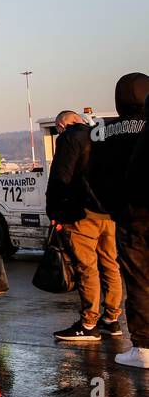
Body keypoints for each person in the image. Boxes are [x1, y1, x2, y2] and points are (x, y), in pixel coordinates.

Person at [88, 72, 149, 368]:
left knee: (138, 280)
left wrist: (115, 208)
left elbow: (95, 176)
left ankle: (144, 345)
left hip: (131, 216)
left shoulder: (105, 133)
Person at [47, 108, 123, 342]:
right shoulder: (102, 136)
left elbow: (61, 176)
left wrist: (55, 212)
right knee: (110, 264)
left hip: (82, 214)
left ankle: (89, 323)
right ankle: (112, 319)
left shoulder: (69, 138)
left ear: (62, 125)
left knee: (86, 268)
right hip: (108, 213)